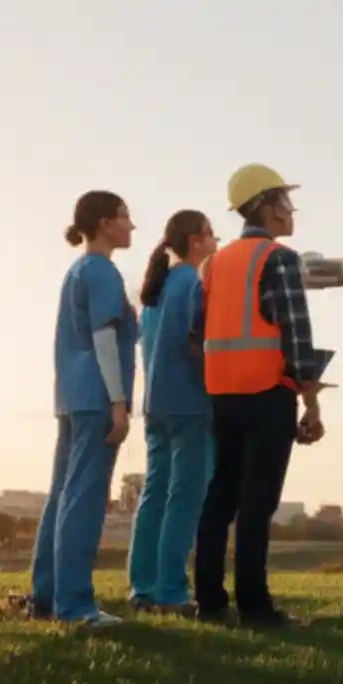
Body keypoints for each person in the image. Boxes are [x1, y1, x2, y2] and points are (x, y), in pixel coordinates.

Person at [194, 163, 343, 627]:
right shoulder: (276, 260)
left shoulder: (215, 264)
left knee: (219, 501)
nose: (292, 209)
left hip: (222, 395)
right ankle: (256, 608)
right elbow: (296, 337)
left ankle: (210, 603)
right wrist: (310, 400)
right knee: (257, 506)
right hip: (266, 394)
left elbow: (196, 331)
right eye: (286, 200)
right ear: (266, 205)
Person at [29, 190, 138, 627]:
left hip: (71, 397)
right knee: (86, 499)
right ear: (105, 222)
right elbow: (105, 339)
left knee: (62, 496)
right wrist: (118, 402)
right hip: (96, 398)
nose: (132, 225)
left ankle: (46, 598)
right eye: (126, 217)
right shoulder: (102, 271)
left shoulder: (78, 271)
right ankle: (75, 606)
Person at [127, 210, 218, 615]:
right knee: (186, 499)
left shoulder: (155, 291)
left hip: (156, 407)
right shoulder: (193, 284)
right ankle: (172, 591)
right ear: (196, 241)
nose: (217, 240)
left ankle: (143, 586)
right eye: (211, 233)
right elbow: (196, 344)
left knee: (155, 495)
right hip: (191, 404)